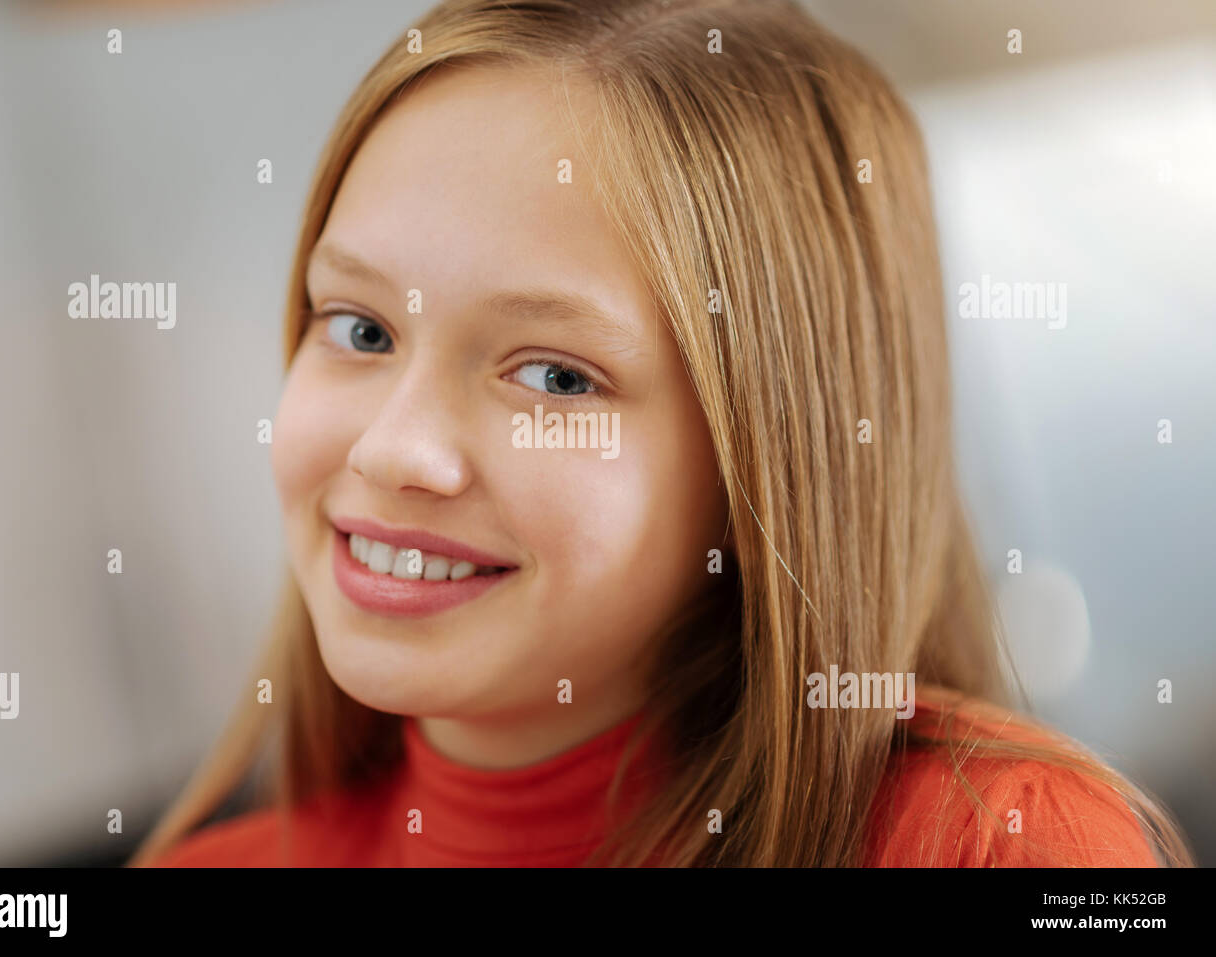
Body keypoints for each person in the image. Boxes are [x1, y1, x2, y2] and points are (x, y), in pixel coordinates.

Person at [132, 0, 1191, 867]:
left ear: (769, 457)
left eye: (554, 377)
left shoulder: (1002, 844)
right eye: (360, 329)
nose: (392, 451)